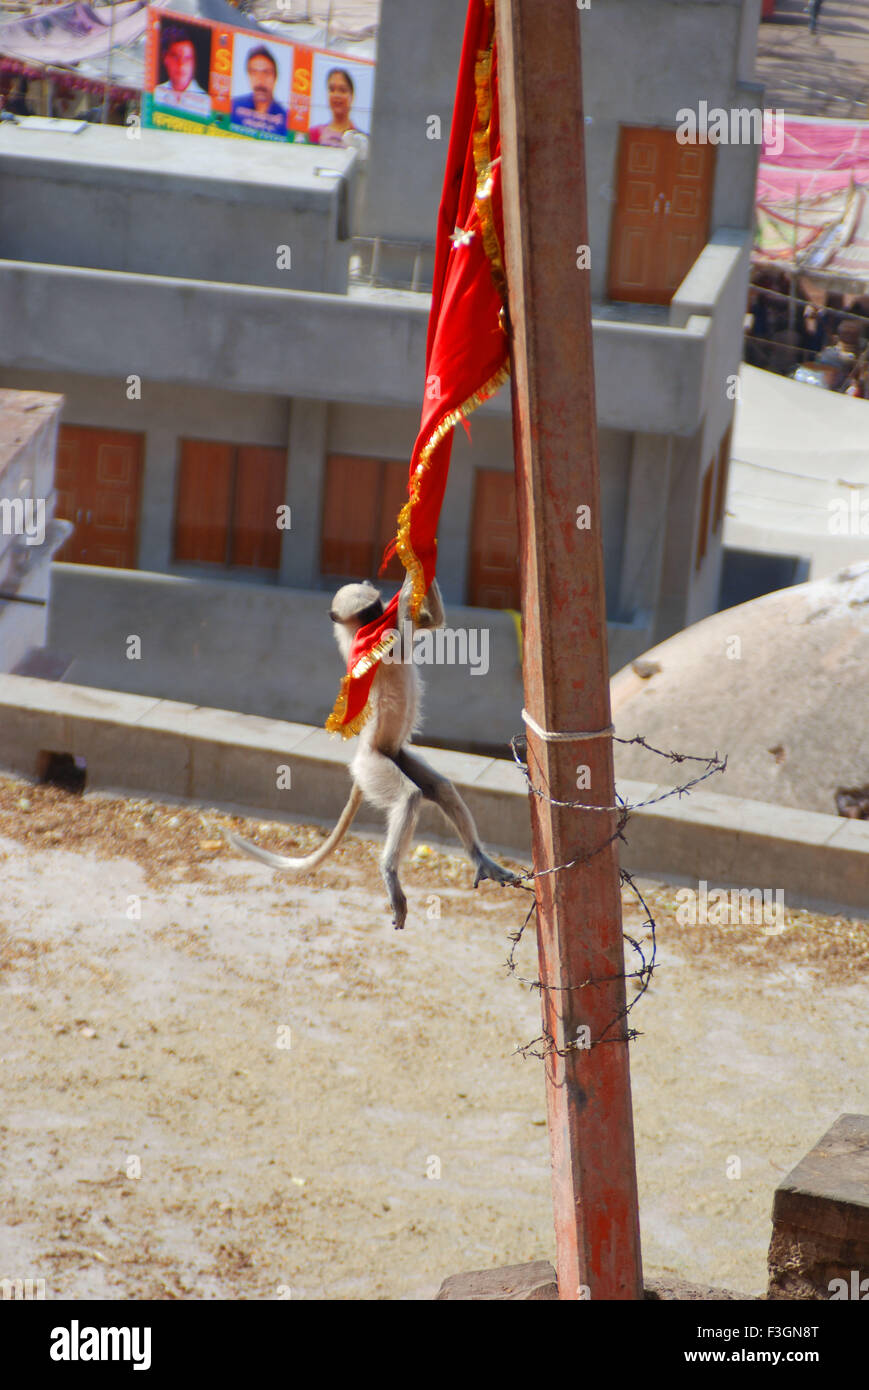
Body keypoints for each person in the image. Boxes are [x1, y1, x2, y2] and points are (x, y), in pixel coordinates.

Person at [153, 23, 211, 118]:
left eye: (187, 58)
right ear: (165, 58)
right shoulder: (155, 94)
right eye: (176, 57)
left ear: (193, 63)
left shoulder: (206, 103)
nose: (181, 64)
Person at [231, 45, 286, 136]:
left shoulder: (286, 120)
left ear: (275, 77)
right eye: (254, 73)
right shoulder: (233, 106)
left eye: (266, 73)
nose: (260, 80)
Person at [306, 67, 360, 147]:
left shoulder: (359, 139)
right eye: (332, 89)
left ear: (351, 96)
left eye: (342, 90)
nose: (336, 95)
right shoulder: (313, 134)